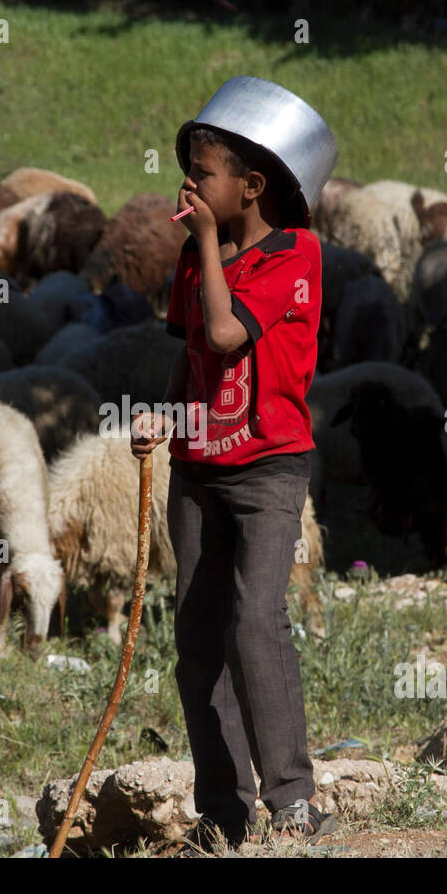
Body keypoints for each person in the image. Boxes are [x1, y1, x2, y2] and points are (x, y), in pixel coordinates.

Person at [130, 80, 337, 853]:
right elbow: (193, 360)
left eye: (204, 173)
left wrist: (210, 242)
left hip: (269, 467)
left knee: (255, 621)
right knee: (198, 634)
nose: (188, 186)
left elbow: (223, 335)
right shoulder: (196, 256)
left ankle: (293, 799)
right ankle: (222, 809)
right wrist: (163, 413)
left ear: (251, 187)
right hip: (199, 465)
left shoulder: (296, 256)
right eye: (186, 169)